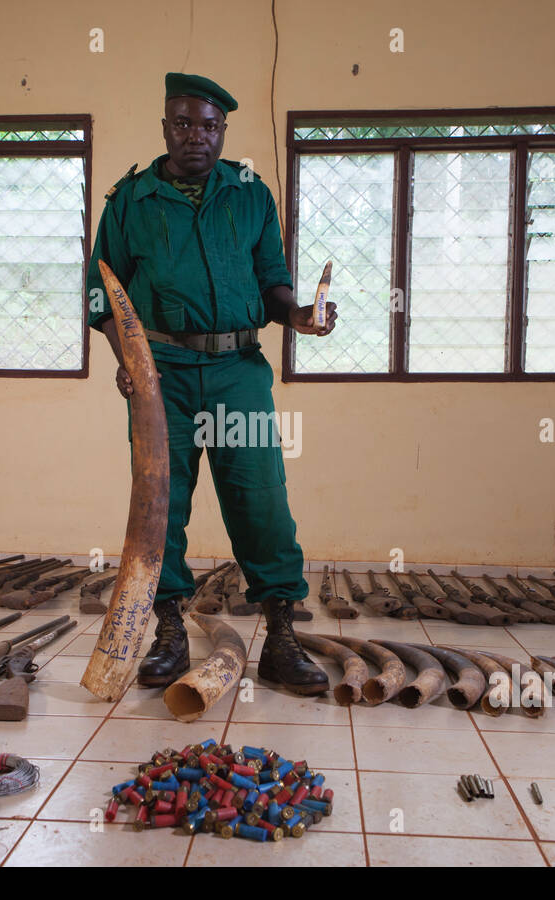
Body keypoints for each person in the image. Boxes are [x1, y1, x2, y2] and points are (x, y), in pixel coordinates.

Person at [85, 72, 337, 696]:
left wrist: (300, 315)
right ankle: (169, 632)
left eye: (208, 125)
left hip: (236, 374)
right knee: (160, 505)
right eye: (183, 122)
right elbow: (100, 298)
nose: (195, 135)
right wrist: (129, 358)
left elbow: (272, 285)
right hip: (161, 377)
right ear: (165, 126)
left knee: (261, 500)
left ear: (223, 131)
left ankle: (280, 639)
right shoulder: (129, 202)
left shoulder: (251, 196)